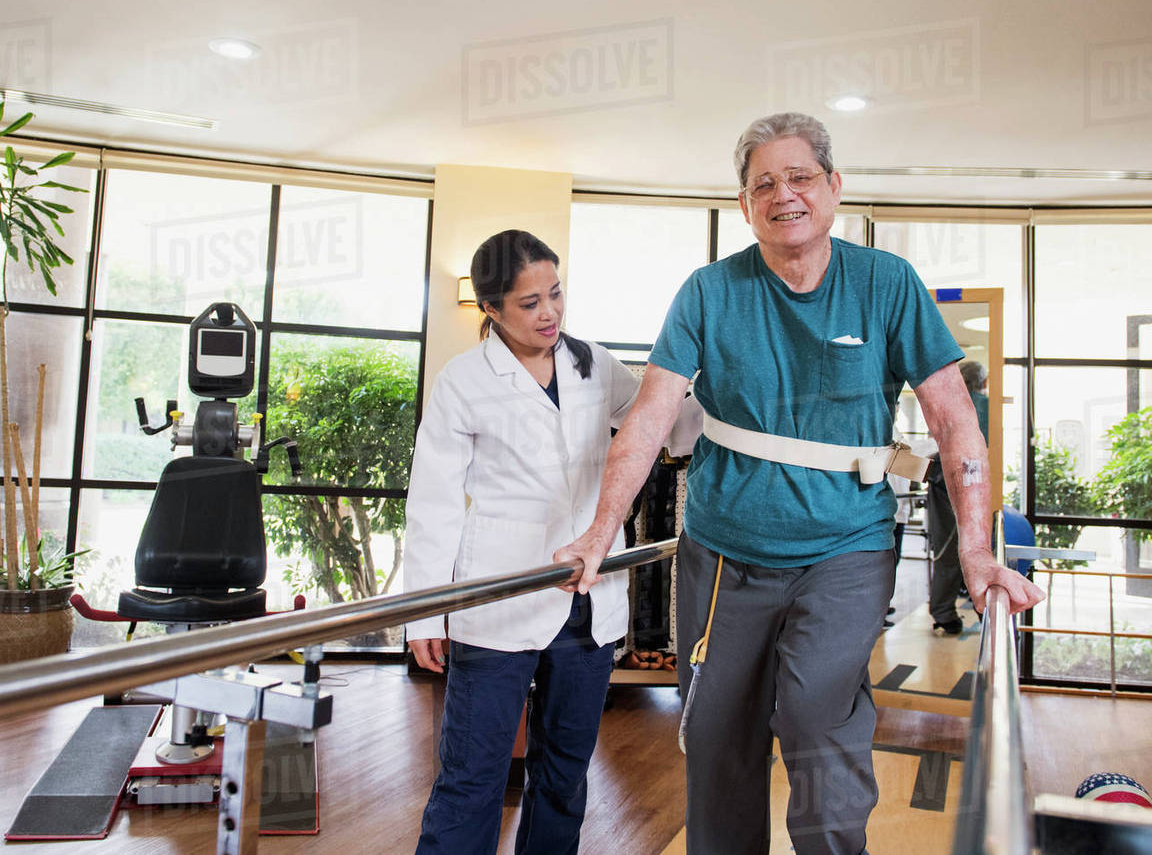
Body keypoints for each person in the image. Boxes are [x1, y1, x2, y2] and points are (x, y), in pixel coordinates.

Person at [554, 113, 1045, 854]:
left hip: (844, 549)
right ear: (744, 204)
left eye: (799, 177)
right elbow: (650, 419)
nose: (783, 194)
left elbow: (952, 421)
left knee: (817, 718)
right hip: (723, 552)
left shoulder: (885, 283)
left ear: (833, 187)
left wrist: (976, 552)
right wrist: (598, 533)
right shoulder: (710, 291)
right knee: (717, 740)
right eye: (763, 184)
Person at [403, 229, 640, 854]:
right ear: (491, 309)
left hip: (586, 602)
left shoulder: (594, 362)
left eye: (556, 295)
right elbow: (433, 501)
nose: (550, 313)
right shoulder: (464, 381)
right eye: (530, 303)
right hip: (499, 599)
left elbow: (659, 420)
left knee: (564, 775)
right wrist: (425, 611)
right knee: (471, 777)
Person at [927, 360, 991, 634]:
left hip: (946, 483)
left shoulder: (950, 403)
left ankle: (943, 611)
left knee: (947, 549)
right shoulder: (990, 408)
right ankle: (984, 609)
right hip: (982, 484)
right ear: (984, 382)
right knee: (982, 547)